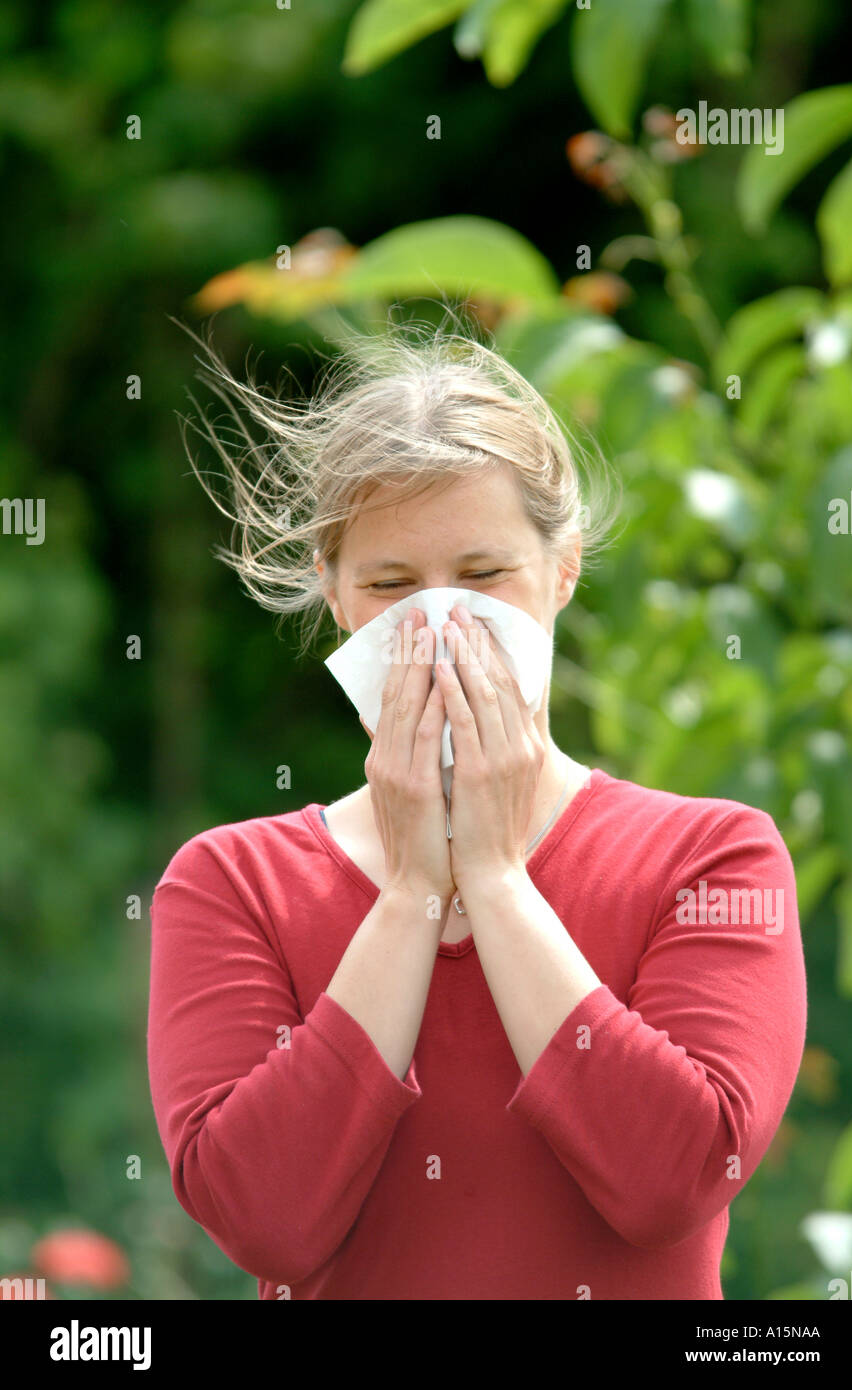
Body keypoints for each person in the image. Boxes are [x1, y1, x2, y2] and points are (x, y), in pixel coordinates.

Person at [147, 312, 807, 1300]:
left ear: (564, 567)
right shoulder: (234, 883)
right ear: (334, 593)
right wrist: (414, 887)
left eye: (486, 574)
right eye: (393, 584)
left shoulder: (711, 858)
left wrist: (493, 878)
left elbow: (677, 1176)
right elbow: (263, 1220)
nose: (442, 619)